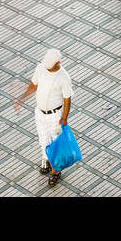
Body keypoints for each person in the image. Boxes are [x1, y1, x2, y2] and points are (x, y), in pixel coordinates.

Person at [14, 49, 73, 187]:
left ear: (58, 62)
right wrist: (21, 99)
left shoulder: (64, 77)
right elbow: (34, 85)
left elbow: (67, 99)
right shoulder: (40, 68)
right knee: (43, 139)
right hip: (39, 113)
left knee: (56, 143)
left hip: (55, 115)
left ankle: (55, 171)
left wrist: (64, 117)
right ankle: (46, 159)